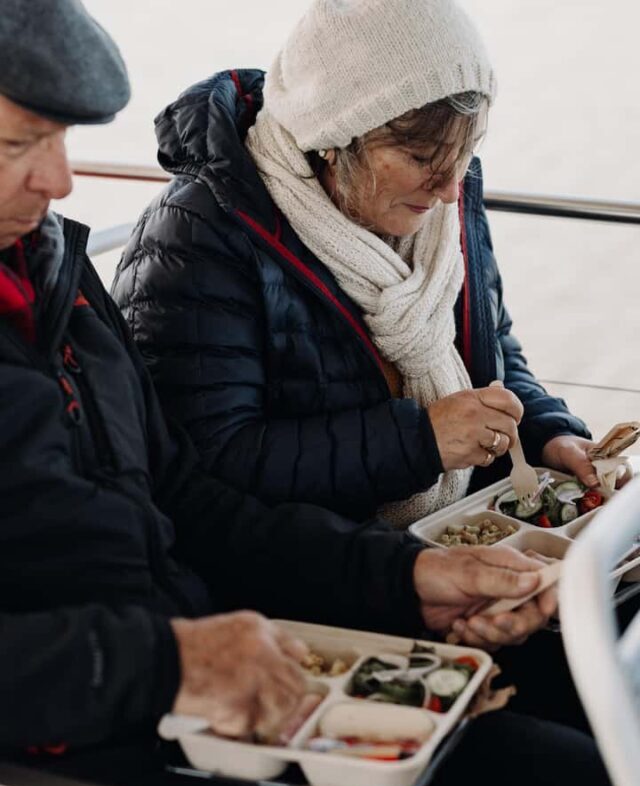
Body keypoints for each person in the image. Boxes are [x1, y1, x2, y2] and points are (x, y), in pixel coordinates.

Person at [0, 2, 616, 786]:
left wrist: (408, 579)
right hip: (99, 734)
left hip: (225, 650)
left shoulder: (56, 271)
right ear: (338, 137)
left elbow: (191, 499)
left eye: (61, 141)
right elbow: (226, 461)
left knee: (592, 737)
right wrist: (173, 664)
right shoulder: (195, 241)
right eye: (20, 144)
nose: (62, 180)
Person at [112, 0, 597, 529]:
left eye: (465, 152)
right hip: (317, 567)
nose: (451, 188)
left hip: (459, 524)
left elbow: (491, 348)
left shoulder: (440, 206)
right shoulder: (198, 236)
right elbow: (212, 462)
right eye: (422, 158)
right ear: (334, 138)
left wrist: (549, 433)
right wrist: (421, 441)